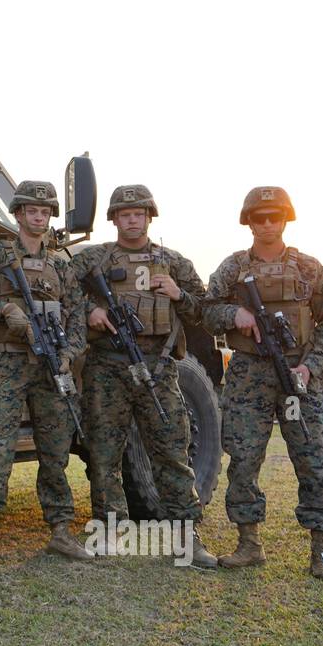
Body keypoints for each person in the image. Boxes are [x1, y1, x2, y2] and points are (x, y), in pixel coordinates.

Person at [66, 185, 217, 567]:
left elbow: (206, 311)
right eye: (124, 214)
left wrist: (179, 294)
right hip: (107, 367)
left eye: (138, 214)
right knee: (104, 453)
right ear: (114, 219)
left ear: (149, 217)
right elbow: (58, 288)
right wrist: (89, 311)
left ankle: (186, 536)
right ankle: (108, 531)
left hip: (158, 366)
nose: (132, 220)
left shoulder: (173, 262)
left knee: (171, 451)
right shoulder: (95, 258)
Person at [201, 186, 323, 580]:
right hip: (249, 375)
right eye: (259, 217)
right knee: (244, 460)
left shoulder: (311, 269)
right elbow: (206, 311)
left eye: (274, 216)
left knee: (313, 458)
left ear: (286, 219)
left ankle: (322, 551)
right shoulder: (232, 269)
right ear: (249, 221)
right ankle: (249, 543)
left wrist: (311, 367)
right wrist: (235, 315)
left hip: (299, 376)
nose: (267, 224)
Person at [0, 180, 89, 573]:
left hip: (51, 370)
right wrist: (5, 312)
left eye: (46, 211)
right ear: (18, 214)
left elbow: (78, 317)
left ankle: (61, 531)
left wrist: (68, 354)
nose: (39, 216)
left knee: (55, 452)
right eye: (32, 210)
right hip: (8, 367)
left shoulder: (62, 266)